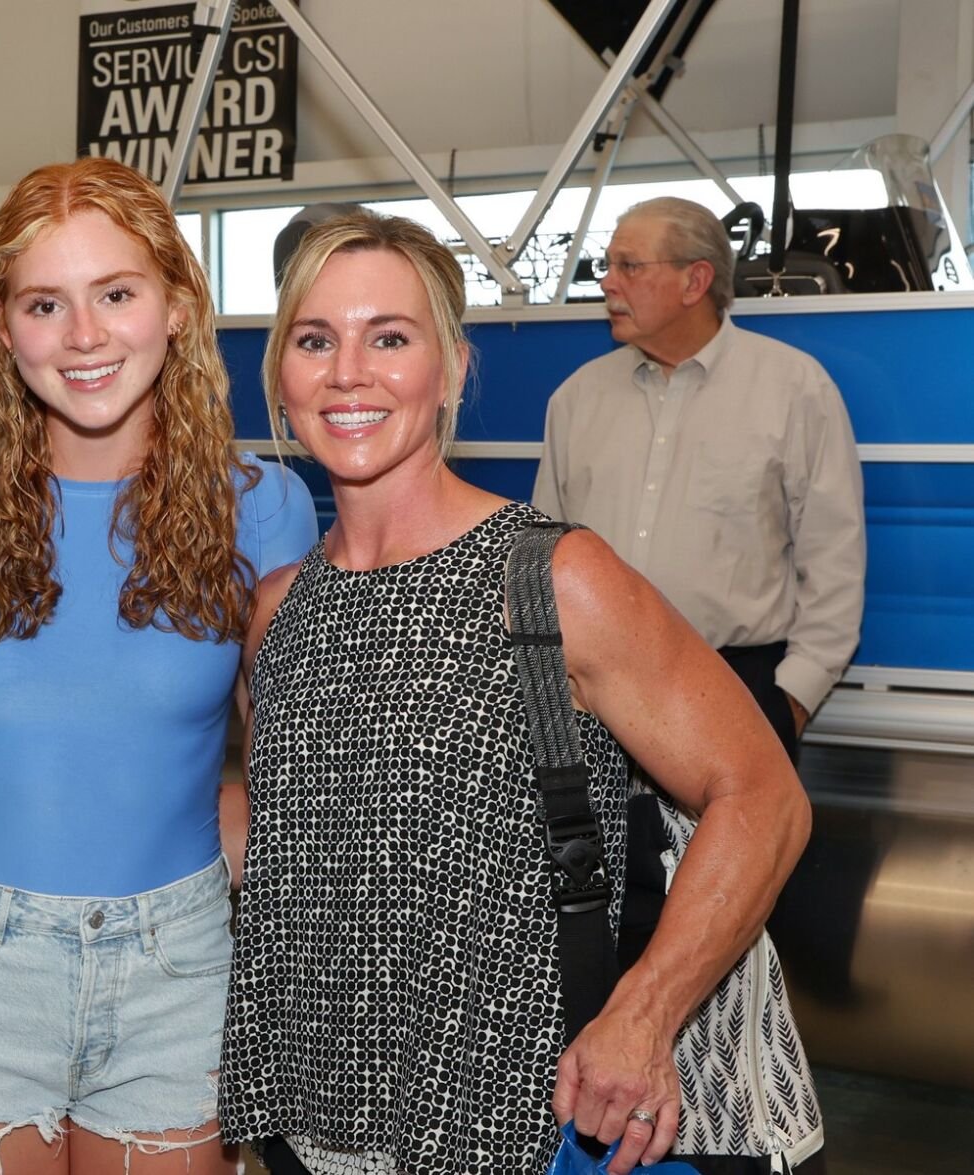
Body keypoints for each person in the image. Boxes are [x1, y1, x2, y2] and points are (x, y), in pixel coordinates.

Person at [219, 210, 824, 1175]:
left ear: (451, 370)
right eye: (314, 340)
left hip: (510, 1127)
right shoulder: (277, 610)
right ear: (279, 376)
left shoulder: (553, 577)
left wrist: (643, 1011)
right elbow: (287, 835)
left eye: (389, 337)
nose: (347, 372)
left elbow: (762, 796)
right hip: (306, 1124)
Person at [0, 156, 316, 1175]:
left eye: (115, 292)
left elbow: (295, 767)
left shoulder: (266, 505)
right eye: (43, 303)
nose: (82, 336)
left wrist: (202, 873)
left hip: (180, 967)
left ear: (174, 303)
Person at [532, 196, 865, 762]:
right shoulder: (576, 399)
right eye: (606, 266)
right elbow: (541, 557)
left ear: (696, 281)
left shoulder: (793, 389)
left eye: (629, 266)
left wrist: (791, 700)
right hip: (591, 698)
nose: (608, 283)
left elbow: (834, 558)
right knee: (599, 854)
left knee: (741, 854)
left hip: (740, 687)